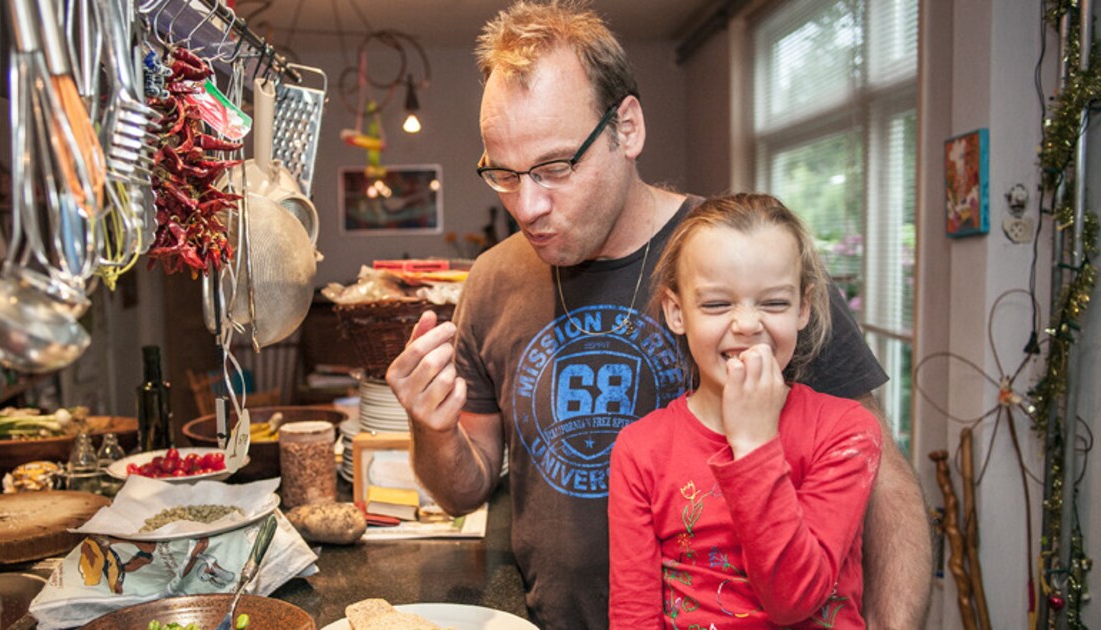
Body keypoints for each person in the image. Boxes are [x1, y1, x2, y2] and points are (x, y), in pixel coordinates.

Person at [385, 2, 931, 628]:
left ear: (628, 129)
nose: (528, 205)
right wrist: (430, 429)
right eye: (504, 175)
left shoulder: (747, 268)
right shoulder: (492, 281)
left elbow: (882, 481)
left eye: (556, 167)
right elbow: (466, 487)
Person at [607, 193, 881, 628]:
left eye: (774, 303)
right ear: (677, 312)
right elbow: (633, 615)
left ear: (803, 308)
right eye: (717, 304)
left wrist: (754, 443)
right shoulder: (641, 450)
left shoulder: (846, 431)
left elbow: (794, 599)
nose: (748, 325)